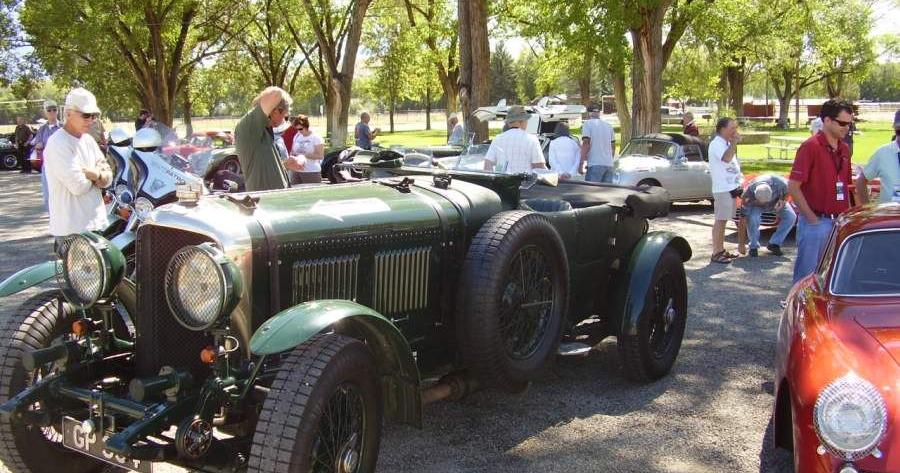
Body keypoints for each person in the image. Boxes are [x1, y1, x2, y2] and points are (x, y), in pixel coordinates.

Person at [788, 99, 853, 283]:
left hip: (839, 222)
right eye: (842, 123)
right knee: (807, 279)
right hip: (816, 222)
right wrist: (812, 219)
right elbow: (793, 186)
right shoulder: (810, 147)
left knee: (834, 278)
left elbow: (846, 186)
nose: (847, 128)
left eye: (849, 124)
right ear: (827, 120)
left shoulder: (844, 149)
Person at [44, 88, 112, 249]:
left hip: (96, 224)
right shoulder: (57, 143)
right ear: (68, 113)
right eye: (86, 115)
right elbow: (78, 186)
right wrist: (98, 176)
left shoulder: (88, 140)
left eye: (94, 116)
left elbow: (109, 178)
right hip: (72, 230)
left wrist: (93, 174)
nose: (91, 120)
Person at [235, 86, 301, 192]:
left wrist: (284, 165)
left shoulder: (264, 132)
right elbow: (276, 93)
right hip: (263, 199)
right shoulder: (249, 127)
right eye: (285, 116)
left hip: (274, 198)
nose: (284, 121)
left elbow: (261, 167)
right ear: (275, 111)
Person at [709, 117, 744, 264]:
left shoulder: (726, 143)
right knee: (720, 220)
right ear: (723, 129)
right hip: (723, 188)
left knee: (724, 220)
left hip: (731, 187)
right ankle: (716, 252)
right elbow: (727, 159)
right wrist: (734, 143)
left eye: (736, 128)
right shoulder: (717, 144)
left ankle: (721, 249)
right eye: (732, 128)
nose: (735, 131)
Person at [740, 175, 796, 257]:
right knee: (752, 219)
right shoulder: (747, 195)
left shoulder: (780, 182)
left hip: (776, 201)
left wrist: (783, 200)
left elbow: (790, 189)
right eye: (762, 202)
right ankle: (753, 246)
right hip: (756, 206)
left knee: (791, 217)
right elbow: (743, 219)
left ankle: (774, 244)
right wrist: (741, 244)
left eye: (766, 201)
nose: (765, 203)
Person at [483, 105, 546, 174]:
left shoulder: (497, 139)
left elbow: (487, 164)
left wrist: (494, 179)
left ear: (509, 123)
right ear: (521, 121)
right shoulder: (532, 139)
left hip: (502, 180)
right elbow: (539, 167)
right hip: (524, 180)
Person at [855, 109, 900, 205]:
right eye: (899, 130)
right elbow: (861, 181)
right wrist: (867, 208)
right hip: (889, 213)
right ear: (894, 129)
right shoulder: (882, 153)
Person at [30, 100, 63, 207]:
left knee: (63, 196)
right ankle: (52, 216)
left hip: (62, 164)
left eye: (54, 109)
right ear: (45, 112)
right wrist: (38, 145)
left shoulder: (63, 127)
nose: (52, 112)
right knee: (47, 196)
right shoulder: (42, 129)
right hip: (47, 165)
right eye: (49, 110)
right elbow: (36, 144)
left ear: (57, 111)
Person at [580, 104, 616, 182]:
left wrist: (581, 163)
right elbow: (613, 146)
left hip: (594, 164)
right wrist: (609, 159)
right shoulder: (609, 126)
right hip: (609, 164)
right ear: (599, 113)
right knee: (606, 189)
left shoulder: (587, 124)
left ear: (589, 113)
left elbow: (586, 143)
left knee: (591, 189)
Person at [289, 115, 325, 183]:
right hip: (296, 171)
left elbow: (320, 156)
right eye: (297, 129)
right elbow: (292, 151)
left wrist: (303, 156)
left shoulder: (316, 137)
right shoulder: (297, 136)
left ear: (306, 126)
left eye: (300, 129)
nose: (299, 131)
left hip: (311, 171)